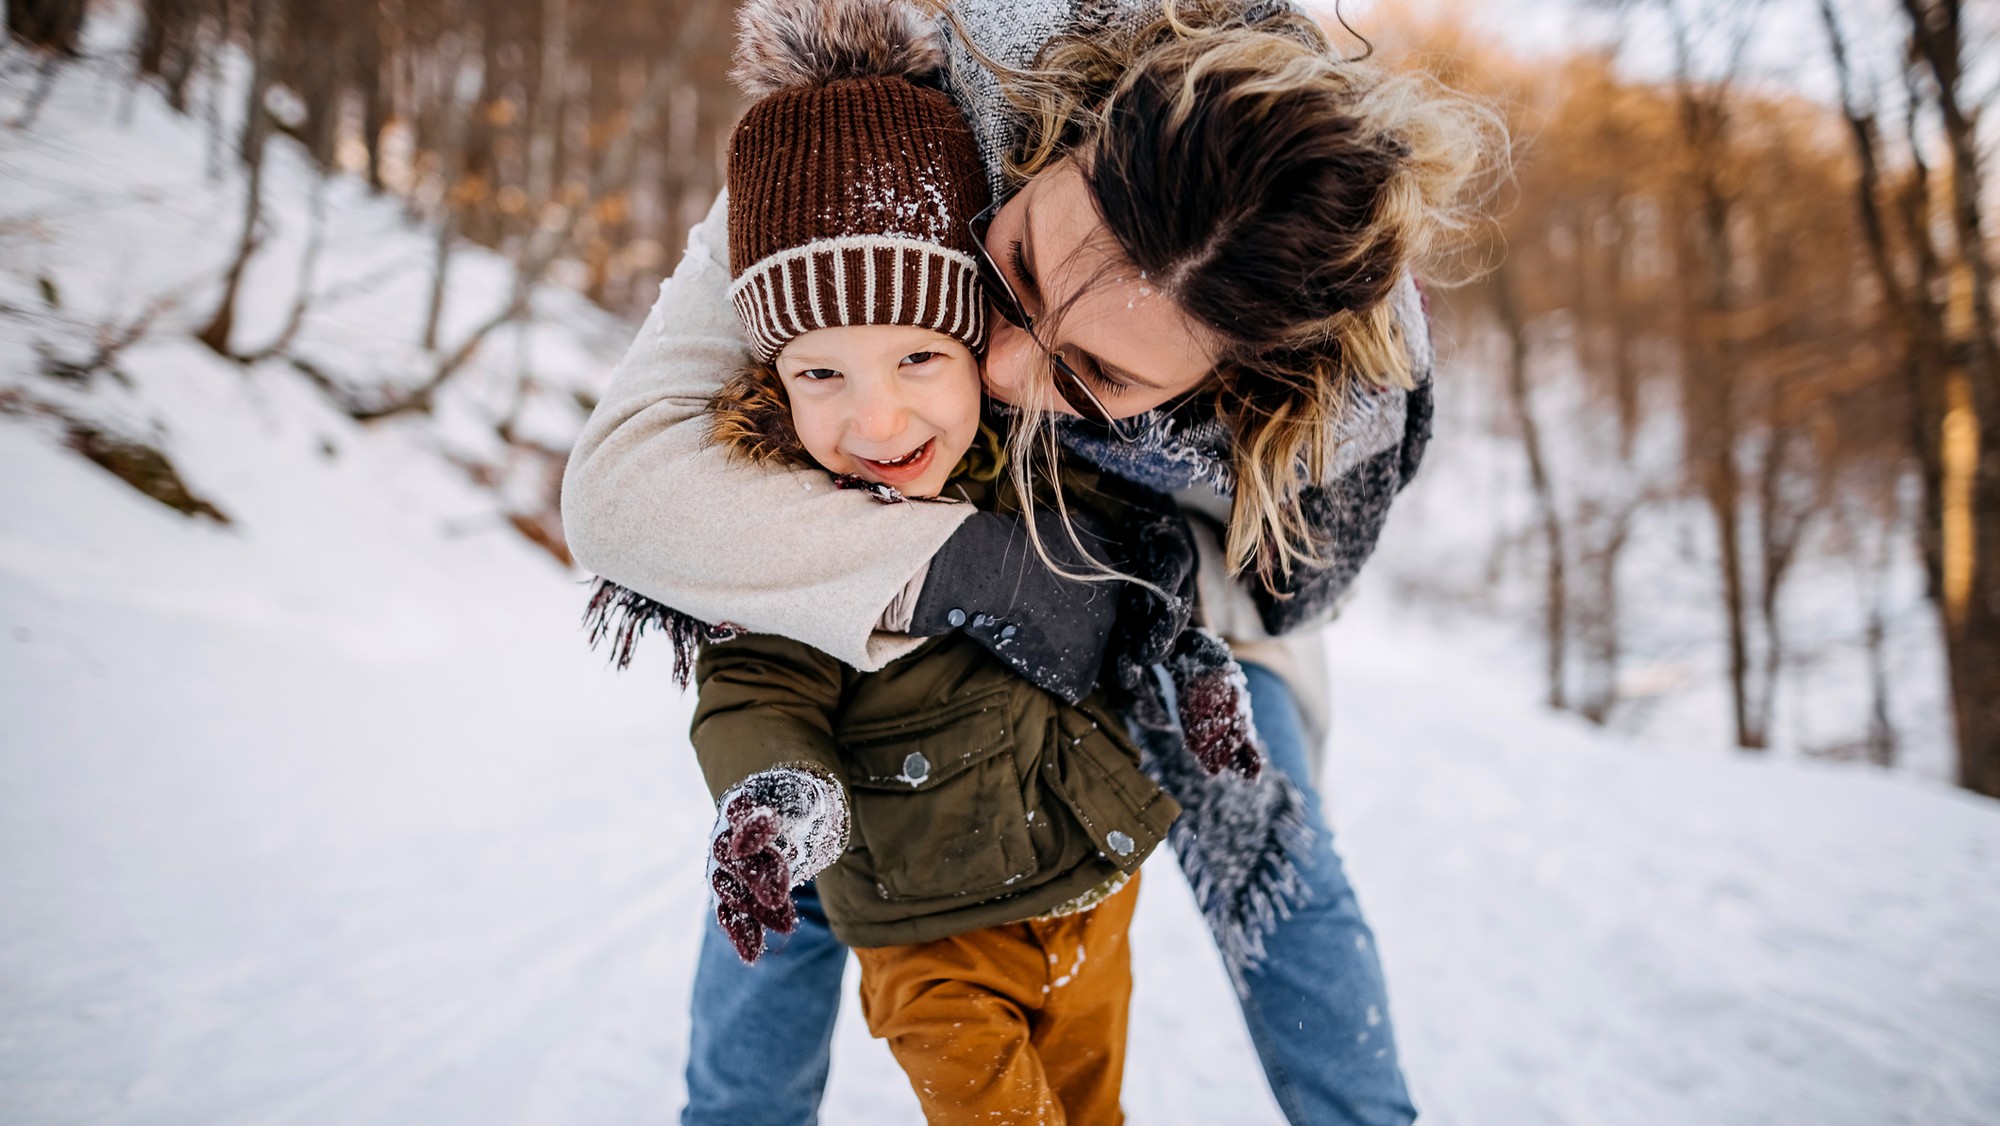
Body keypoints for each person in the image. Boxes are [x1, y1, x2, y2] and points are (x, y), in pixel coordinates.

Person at [563, 1, 1495, 1123]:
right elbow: (622, 486)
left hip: (1174, 560)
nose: (1003, 365)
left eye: (1094, 373)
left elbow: (1284, 595)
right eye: (1009, 270)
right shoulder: (915, 114)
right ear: (1063, 139)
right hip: (907, 498)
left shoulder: (1343, 402)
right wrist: (970, 566)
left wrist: (1149, 618)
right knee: (818, 827)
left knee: (1260, 826)